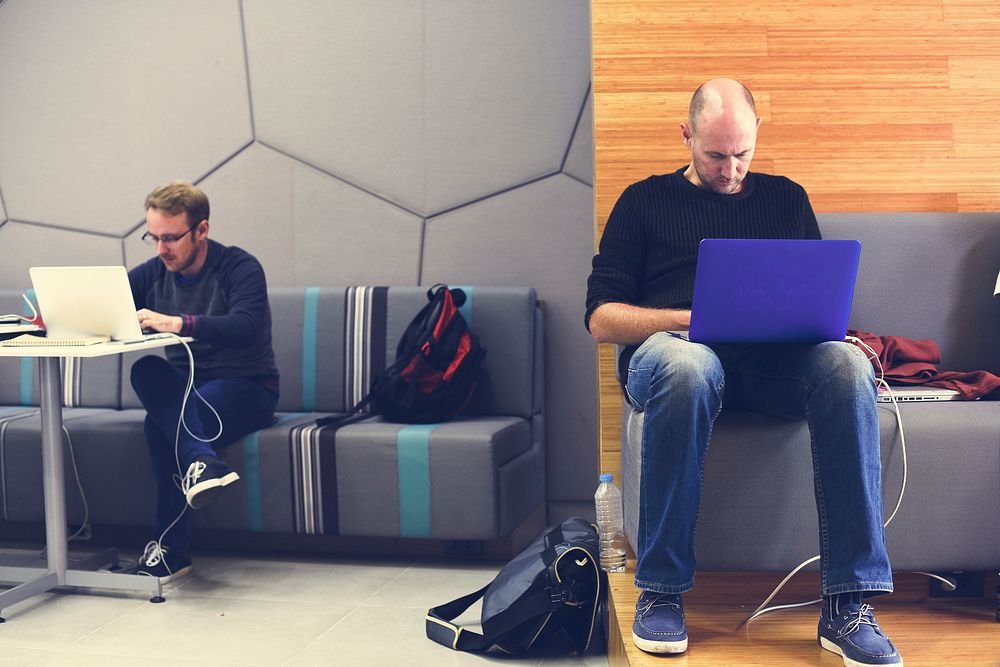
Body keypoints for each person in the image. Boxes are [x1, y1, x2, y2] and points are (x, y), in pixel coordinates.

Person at [585, 79, 901, 666]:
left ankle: (848, 604)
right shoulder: (642, 201)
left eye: (742, 154)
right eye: (714, 155)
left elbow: (815, 304)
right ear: (686, 136)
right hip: (672, 356)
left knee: (847, 365)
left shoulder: (785, 199)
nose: (731, 170)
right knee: (689, 362)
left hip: (767, 364)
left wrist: (818, 325)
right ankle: (661, 591)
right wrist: (696, 317)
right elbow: (602, 318)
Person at [128, 181, 279, 582]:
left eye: (171, 238)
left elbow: (245, 327)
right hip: (186, 387)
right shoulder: (151, 274)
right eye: (154, 237)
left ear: (201, 230)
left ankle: (172, 550)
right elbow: (106, 303)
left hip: (247, 387)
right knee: (145, 369)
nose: (162, 249)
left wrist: (177, 323)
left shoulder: (239, 267)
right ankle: (200, 462)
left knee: (158, 425)